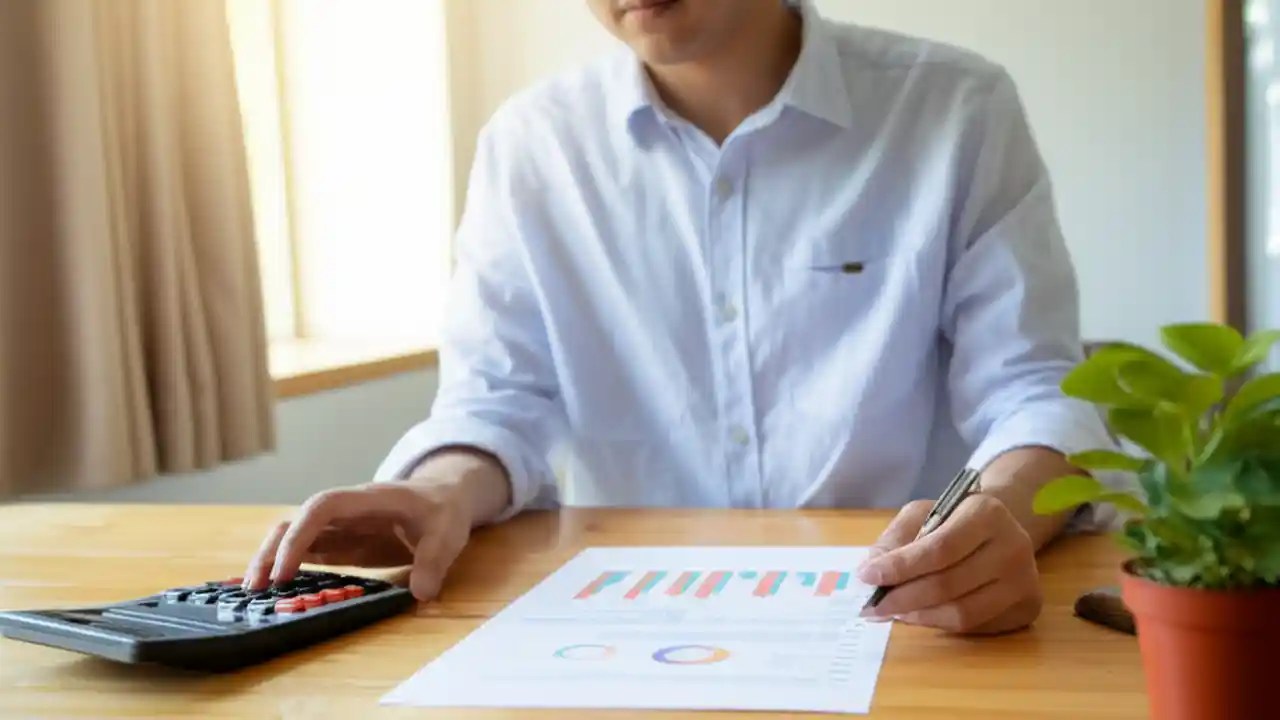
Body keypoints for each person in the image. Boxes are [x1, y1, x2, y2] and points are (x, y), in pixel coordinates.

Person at [244, 0, 1121, 635]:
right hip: (622, 631)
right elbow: (498, 400)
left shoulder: (954, 109)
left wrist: (1000, 515)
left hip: (904, 619)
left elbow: (1034, 386)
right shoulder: (531, 146)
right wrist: (437, 492)